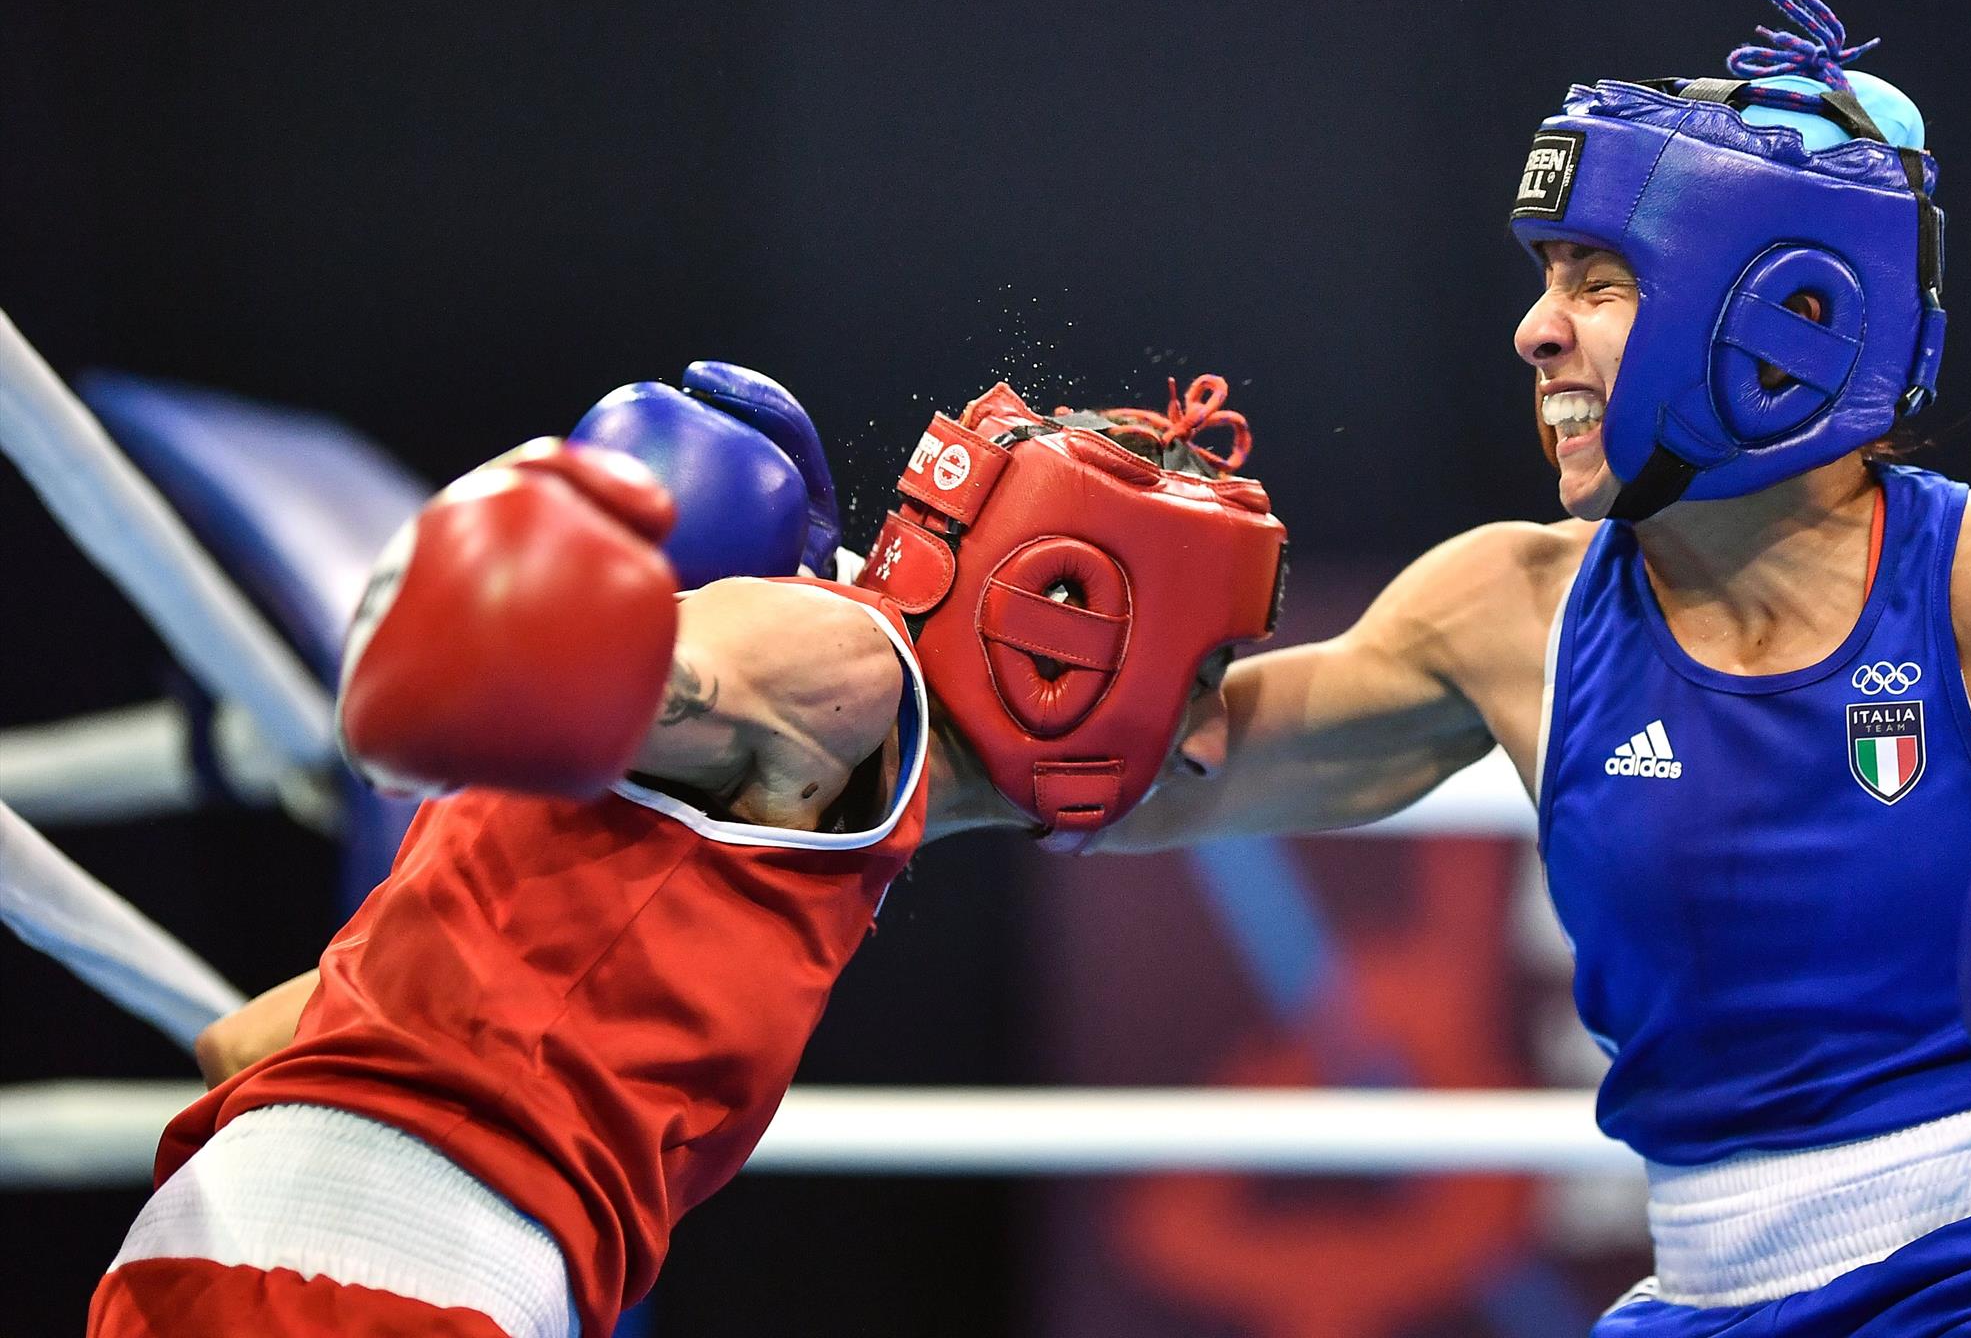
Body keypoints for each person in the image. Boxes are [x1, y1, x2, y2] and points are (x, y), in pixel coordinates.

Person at [1104, 0, 1971, 1336]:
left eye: (1598, 281)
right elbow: (1159, 773)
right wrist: (935, 713)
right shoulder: (1506, 608)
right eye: (1545, 278)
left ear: (1779, 311)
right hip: (1699, 1294)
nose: (1534, 332)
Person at [91, 370, 1286, 1338]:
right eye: (1205, 679)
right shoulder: (839, 668)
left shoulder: (840, 787)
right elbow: (476, 681)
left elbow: (247, 1044)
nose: (1207, 742)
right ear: (1070, 635)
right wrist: (492, 625)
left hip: (327, 1258)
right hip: (367, 1278)